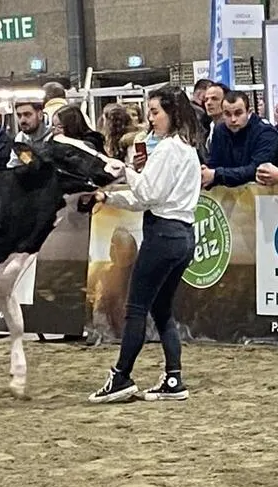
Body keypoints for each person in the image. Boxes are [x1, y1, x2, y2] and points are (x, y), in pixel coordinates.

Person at [85, 84, 202, 404]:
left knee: (136, 307)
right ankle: (173, 377)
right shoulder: (187, 148)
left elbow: (148, 195)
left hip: (163, 235)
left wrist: (124, 170)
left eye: (155, 112)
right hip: (183, 235)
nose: (150, 119)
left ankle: (121, 375)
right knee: (162, 309)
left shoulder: (166, 150)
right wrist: (108, 196)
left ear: (172, 113)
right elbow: (145, 197)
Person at [202, 90, 278, 188]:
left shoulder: (266, 132)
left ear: (249, 112)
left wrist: (216, 174)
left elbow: (258, 169)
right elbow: (214, 162)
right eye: (227, 114)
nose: (233, 119)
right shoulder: (220, 130)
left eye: (238, 113)